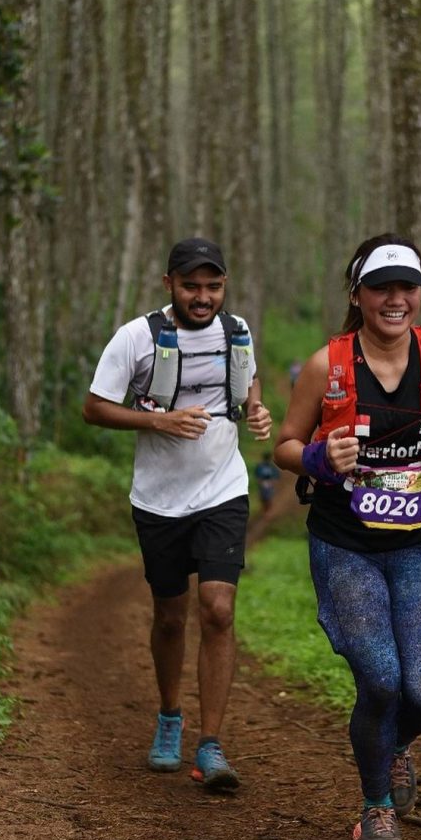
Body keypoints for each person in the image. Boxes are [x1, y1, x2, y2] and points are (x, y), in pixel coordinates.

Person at [273, 233, 421, 840]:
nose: (396, 299)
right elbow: (285, 445)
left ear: (420, 294)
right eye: (381, 287)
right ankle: (376, 807)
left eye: (407, 288)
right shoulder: (327, 366)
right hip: (346, 545)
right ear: (358, 294)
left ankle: (392, 747)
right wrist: (319, 455)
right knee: (381, 678)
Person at [83, 237, 272, 790]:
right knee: (170, 615)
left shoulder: (236, 329)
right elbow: (95, 408)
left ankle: (210, 745)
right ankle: (170, 716)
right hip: (159, 498)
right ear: (169, 284)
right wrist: (157, 422)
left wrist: (256, 409)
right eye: (192, 285)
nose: (203, 297)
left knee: (217, 608)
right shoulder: (136, 337)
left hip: (223, 489)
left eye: (213, 286)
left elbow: (250, 380)